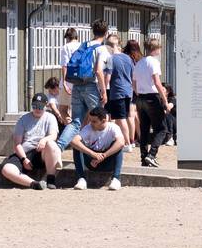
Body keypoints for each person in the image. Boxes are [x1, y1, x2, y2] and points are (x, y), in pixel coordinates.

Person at [56, 20, 110, 151]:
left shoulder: (83, 46)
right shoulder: (102, 49)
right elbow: (98, 71)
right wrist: (104, 91)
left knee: (76, 122)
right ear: (106, 33)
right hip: (91, 86)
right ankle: (100, 148)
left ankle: (59, 146)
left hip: (77, 85)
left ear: (93, 31)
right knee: (100, 118)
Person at [0, 93, 61, 190]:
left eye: (41, 106)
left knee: (52, 144)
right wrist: (24, 159)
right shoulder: (23, 119)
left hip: (42, 153)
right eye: (35, 106)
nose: (37, 109)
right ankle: (34, 184)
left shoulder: (50, 117)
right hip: (25, 153)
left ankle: (51, 179)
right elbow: (17, 144)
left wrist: (44, 140)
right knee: (6, 169)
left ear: (46, 106)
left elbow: (54, 135)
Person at [131, 37, 169, 167]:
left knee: (144, 128)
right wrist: (164, 100)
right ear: (156, 49)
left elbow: (134, 83)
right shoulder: (154, 62)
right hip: (152, 97)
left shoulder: (139, 63)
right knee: (162, 129)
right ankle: (152, 154)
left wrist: (138, 93)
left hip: (140, 98)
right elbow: (157, 82)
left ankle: (143, 157)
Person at [69, 107, 125, 190]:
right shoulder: (88, 128)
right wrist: (93, 154)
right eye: (90, 120)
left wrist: (104, 156)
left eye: (94, 121)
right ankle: (81, 179)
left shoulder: (113, 127)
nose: (91, 123)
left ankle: (116, 179)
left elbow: (121, 142)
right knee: (78, 147)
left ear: (103, 121)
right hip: (91, 161)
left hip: (108, 161)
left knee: (118, 146)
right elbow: (74, 141)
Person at [103, 33, 135, 147]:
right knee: (122, 118)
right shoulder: (128, 58)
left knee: (120, 119)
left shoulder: (109, 59)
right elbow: (133, 75)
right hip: (128, 91)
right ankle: (124, 141)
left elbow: (107, 77)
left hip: (117, 92)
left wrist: (103, 90)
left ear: (109, 46)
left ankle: (127, 143)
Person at [56, 27, 79, 123]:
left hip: (69, 81)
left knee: (62, 109)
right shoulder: (82, 46)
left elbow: (65, 65)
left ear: (67, 37)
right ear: (76, 36)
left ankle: (71, 131)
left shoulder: (66, 47)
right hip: (81, 81)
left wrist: (65, 83)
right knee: (78, 111)